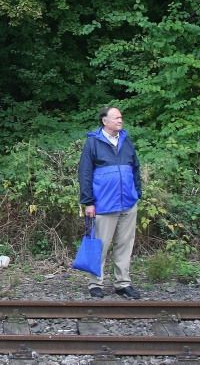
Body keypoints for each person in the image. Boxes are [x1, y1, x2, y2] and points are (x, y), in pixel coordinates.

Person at [78, 106, 142, 299]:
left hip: (128, 203)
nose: (120, 121)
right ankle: (95, 283)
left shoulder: (126, 140)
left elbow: (135, 168)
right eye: (116, 118)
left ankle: (123, 283)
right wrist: (88, 202)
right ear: (104, 121)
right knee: (101, 245)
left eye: (121, 117)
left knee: (125, 244)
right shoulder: (93, 143)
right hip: (104, 204)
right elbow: (85, 173)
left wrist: (137, 193)